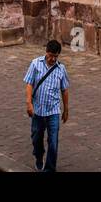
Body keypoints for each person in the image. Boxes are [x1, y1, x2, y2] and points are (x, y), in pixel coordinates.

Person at [23, 39, 70, 173]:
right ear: (46, 52)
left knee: (53, 142)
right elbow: (29, 84)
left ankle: (49, 169)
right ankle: (38, 156)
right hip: (37, 110)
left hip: (53, 111)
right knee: (36, 137)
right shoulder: (35, 64)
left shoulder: (61, 69)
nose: (52, 59)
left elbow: (65, 90)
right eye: (50, 55)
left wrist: (66, 109)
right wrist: (29, 103)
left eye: (55, 56)